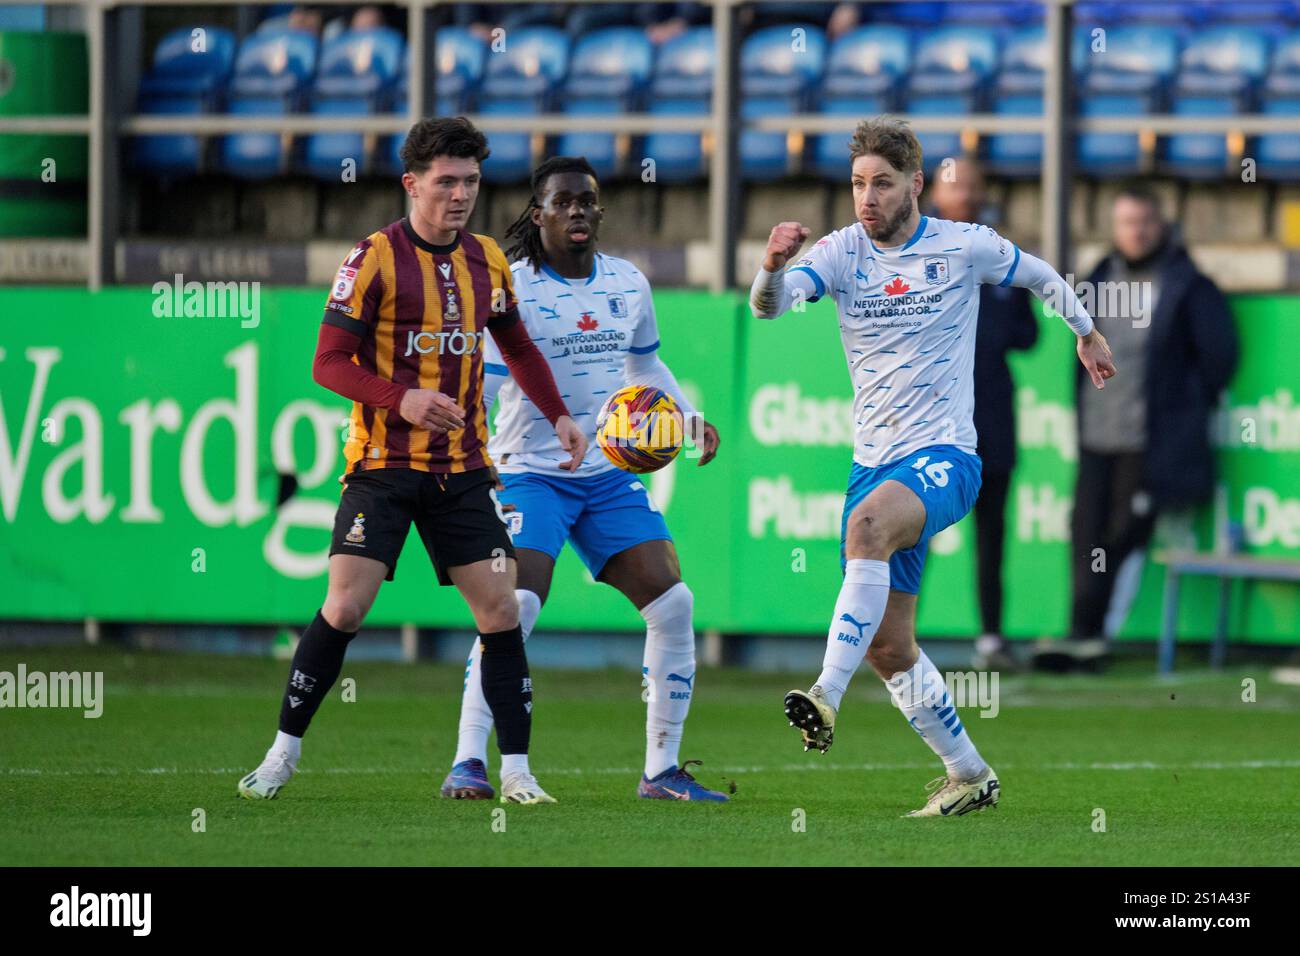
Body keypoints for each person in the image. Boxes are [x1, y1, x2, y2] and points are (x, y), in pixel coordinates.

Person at [750, 116, 1115, 817]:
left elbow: (1040, 276)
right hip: (875, 465)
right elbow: (767, 310)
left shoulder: (963, 246)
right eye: (858, 184)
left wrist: (1087, 333)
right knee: (890, 647)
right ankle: (970, 773)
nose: (867, 198)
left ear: (916, 184)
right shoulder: (839, 253)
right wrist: (771, 265)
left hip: (947, 457)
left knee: (866, 528)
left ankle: (825, 693)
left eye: (881, 184)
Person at [237, 117, 588, 805]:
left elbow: (517, 347)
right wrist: (403, 401)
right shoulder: (371, 258)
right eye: (447, 182)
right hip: (383, 467)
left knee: (501, 610)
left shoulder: (486, 259)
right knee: (346, 605)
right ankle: (282, 754)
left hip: (461, 471)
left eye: (472, 182)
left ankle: (515, 770)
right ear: (412, 183)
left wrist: (560, 415)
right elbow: (328, 363)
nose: (461, 195)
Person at [439, 156, 728, 803]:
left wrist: (687, 420)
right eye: (562, 202)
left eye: (586, 202)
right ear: (537, 214)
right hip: (527, 472)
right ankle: (468, 761)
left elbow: (645, 365)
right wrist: (472, 462)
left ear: (599, 212)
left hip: (603, 474)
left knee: (674, 604)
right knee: (514, 608)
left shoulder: (628, 283)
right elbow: (481, 389)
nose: (576, 212)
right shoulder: (511, 289)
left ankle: (661, 771)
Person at [1034, 182, 1238, 672]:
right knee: (1085, 535)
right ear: (1114, 227)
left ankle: (1091, 635)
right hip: (1097, 437)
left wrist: (1181, 408)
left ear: (1161, 224)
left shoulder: (1188, 283)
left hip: (1150, 444)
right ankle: (1080, 633)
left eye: (1145, 221)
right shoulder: (1100, 277)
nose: (1137, 231)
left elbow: (1219, 356)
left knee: (1121, 538)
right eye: (1127, 222)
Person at [927, 158, 1039, 672]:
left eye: (974, 185)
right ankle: (894, 635)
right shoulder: (912, 250)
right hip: (929, 413)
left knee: (992, 528)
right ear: (931, 192)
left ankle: (991, 637)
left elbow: (1027, 333)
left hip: (990, 412)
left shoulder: (998, 252)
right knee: (912, 526)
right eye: (957, 186)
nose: (967, 194)